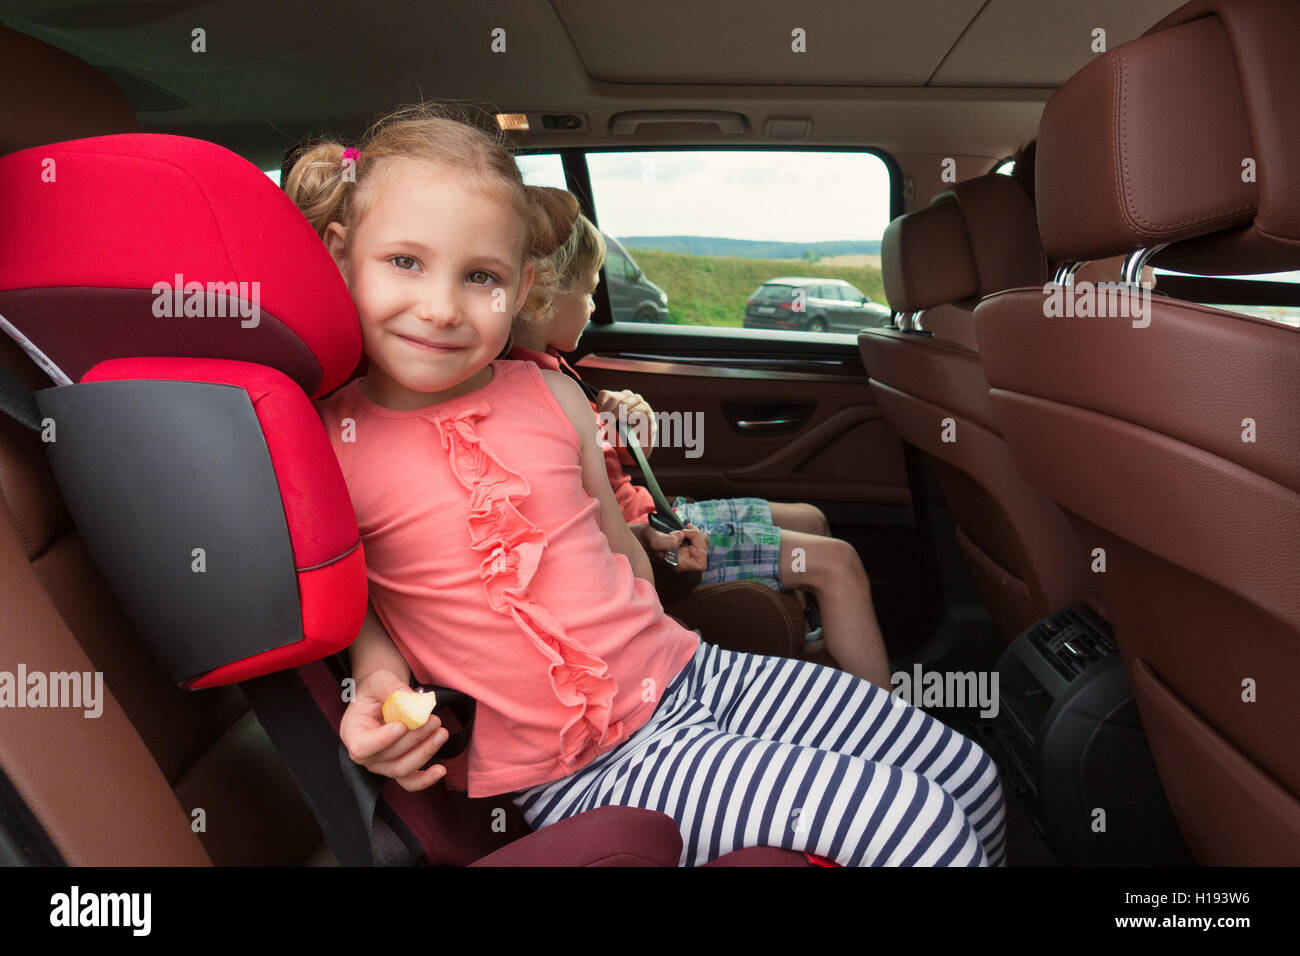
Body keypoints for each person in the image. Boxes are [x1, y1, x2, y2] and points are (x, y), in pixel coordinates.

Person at [288, 103, 1006, 866]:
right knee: (923, 825)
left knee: (970, 773)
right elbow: (356, 599)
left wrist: (668, 562)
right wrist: (375, 685)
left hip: (696, 675)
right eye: (405, 262)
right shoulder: (328, 443)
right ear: (340, 257)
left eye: (480, 277)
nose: (440, 307)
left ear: (523, 285)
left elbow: (617, 550)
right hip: (588, 766)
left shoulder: (553, 396)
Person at [509, 189, 892, 687]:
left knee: (813, 519)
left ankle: (830, 646)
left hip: (656, 511)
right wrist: (653, 538)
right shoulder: (534, 391)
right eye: (588, 291)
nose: (593, 303)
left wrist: (630, 425)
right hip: (651, 542)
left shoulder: (558, 369)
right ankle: (886, 710)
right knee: (839, 562)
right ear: (545, 295)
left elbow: (613, 463)